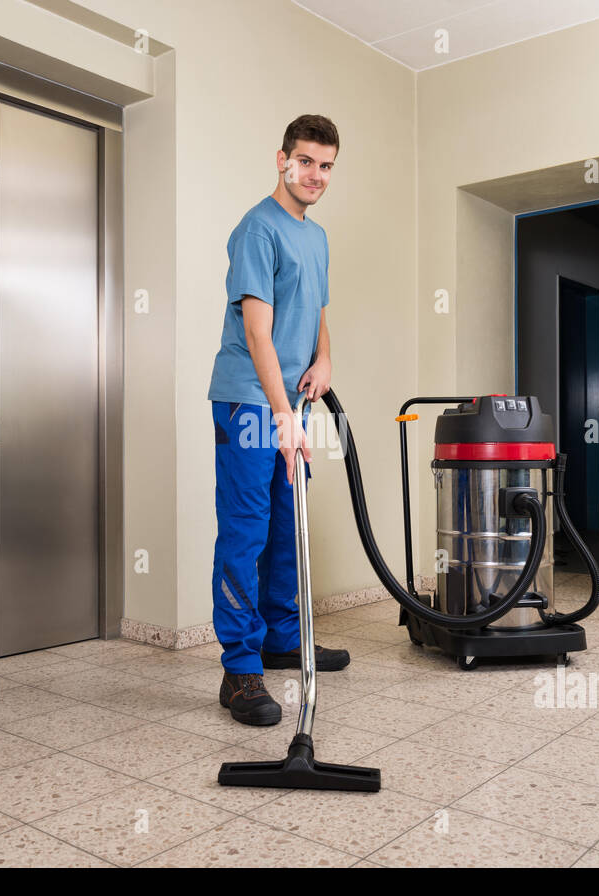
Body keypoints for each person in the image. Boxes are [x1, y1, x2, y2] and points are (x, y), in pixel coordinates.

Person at [207, 114, 350, 726]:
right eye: (306, 161)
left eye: (326, 166)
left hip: (293, 403)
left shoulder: (314, 237)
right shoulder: (256, 230)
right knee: (247, 530)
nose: (315, 175)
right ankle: (240, 671)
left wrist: (324, 357)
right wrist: (283, 415)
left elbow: (315, 307)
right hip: (250, 401)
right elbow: (258, 334)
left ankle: (282, 639)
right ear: (282, 159)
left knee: (289, 524)